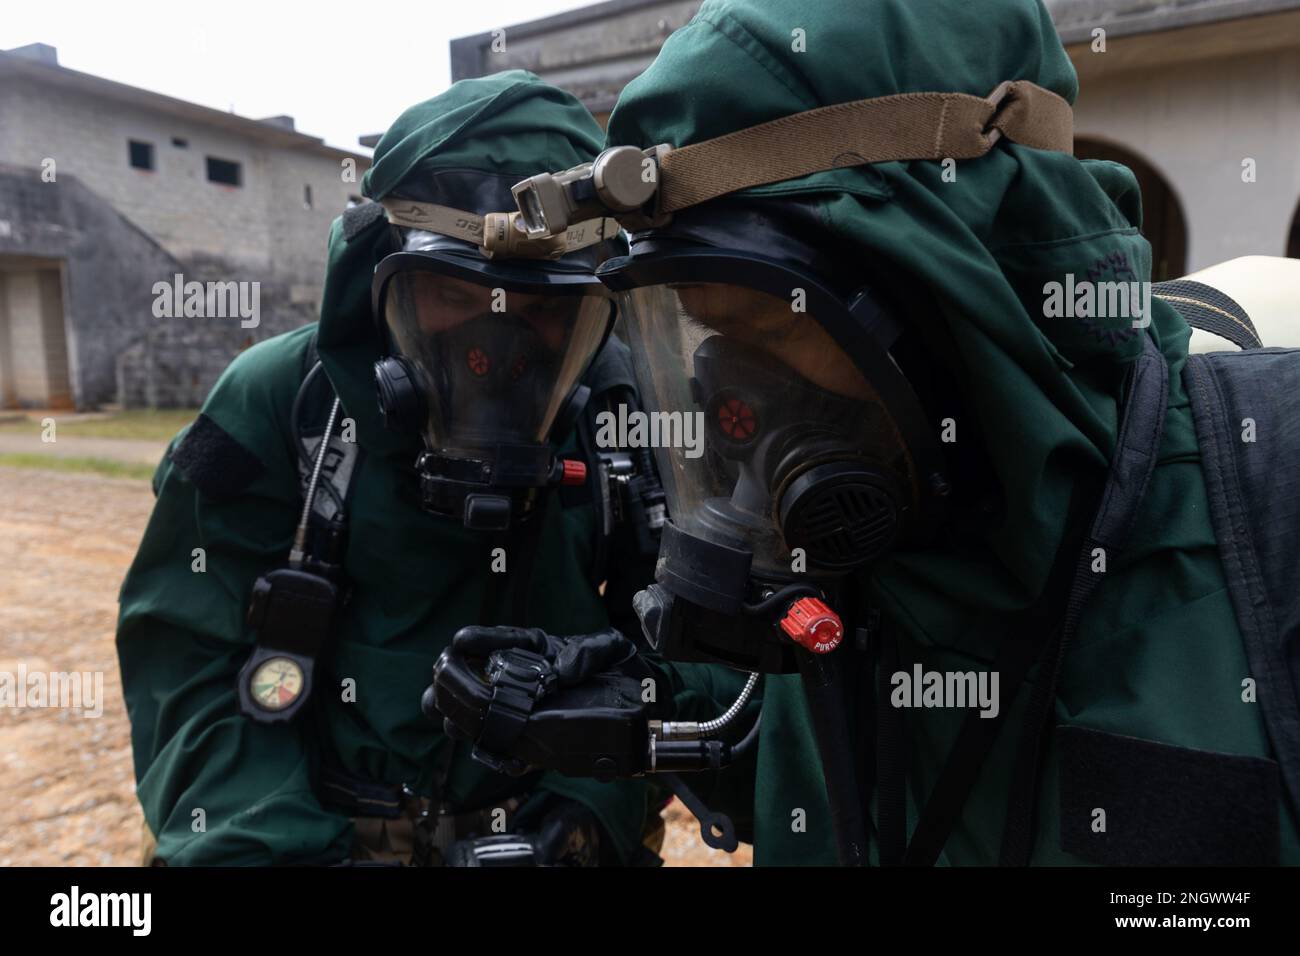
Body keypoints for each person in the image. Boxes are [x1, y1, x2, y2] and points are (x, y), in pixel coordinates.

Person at [432, 0, 1300, 866]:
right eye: (705, 336)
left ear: (952, 288)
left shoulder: (1267, 513)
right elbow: (823, 780)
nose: (732, 397)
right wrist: (641, 706)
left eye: (769, 328)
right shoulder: (869, 548)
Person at [116, 72, 685, 866]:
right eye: (456, 294)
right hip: (321, 835)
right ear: (381, 283)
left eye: (543, 310)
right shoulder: (281, 402)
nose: (498, 349)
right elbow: (186, 658)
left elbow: (679, 650)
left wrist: (594, 810)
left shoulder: (622, 413)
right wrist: (273, 849)